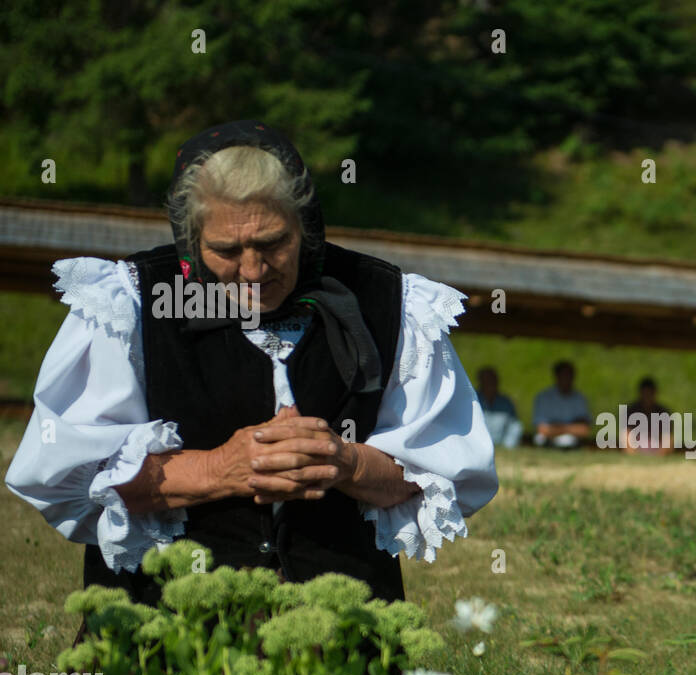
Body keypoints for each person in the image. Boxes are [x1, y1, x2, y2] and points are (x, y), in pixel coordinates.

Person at [5, 120, 498, 607]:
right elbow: (69, 477)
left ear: (305, 225)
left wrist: (343, 462)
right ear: (189, 237)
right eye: (225, 250)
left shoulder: (386, 301)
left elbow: (446, 475)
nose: (253, 270)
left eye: (273, 243)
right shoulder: (131, 306)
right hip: (168, 641)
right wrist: (219, 469)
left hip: (343, 638)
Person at [531, 359, 591, 448]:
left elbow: (584, 430)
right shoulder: (544, 397)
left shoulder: (579, 398)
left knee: (567, 439)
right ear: (556, 376)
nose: (567, 379)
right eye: (564, 375)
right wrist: (571, 427)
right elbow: (542, 430)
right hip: (547, 441)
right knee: (540, 438)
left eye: (569, 375)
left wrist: (557, 427)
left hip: (572, 441)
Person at [622, 376, 674, 455]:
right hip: (636, 449)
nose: (647, 397)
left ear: (654, 393)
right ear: (640, 394)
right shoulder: (631, 411)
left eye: (650, 394)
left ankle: (658, 458)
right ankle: (633, 458)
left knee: (668, 439)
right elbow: (627, 435)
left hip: (657, 450)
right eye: (645, 394)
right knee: (625, 435)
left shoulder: (663, 412)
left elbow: (668, 438)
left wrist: (658, 455)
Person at [476, 366, 522, 448]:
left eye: (493, 381)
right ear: (480, 382)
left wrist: (507, 447)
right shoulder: (473, 401)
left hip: (503, 447)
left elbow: (514, 427)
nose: (490, 384)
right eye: (487, 381)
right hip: (478, 447)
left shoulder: (506, 402)